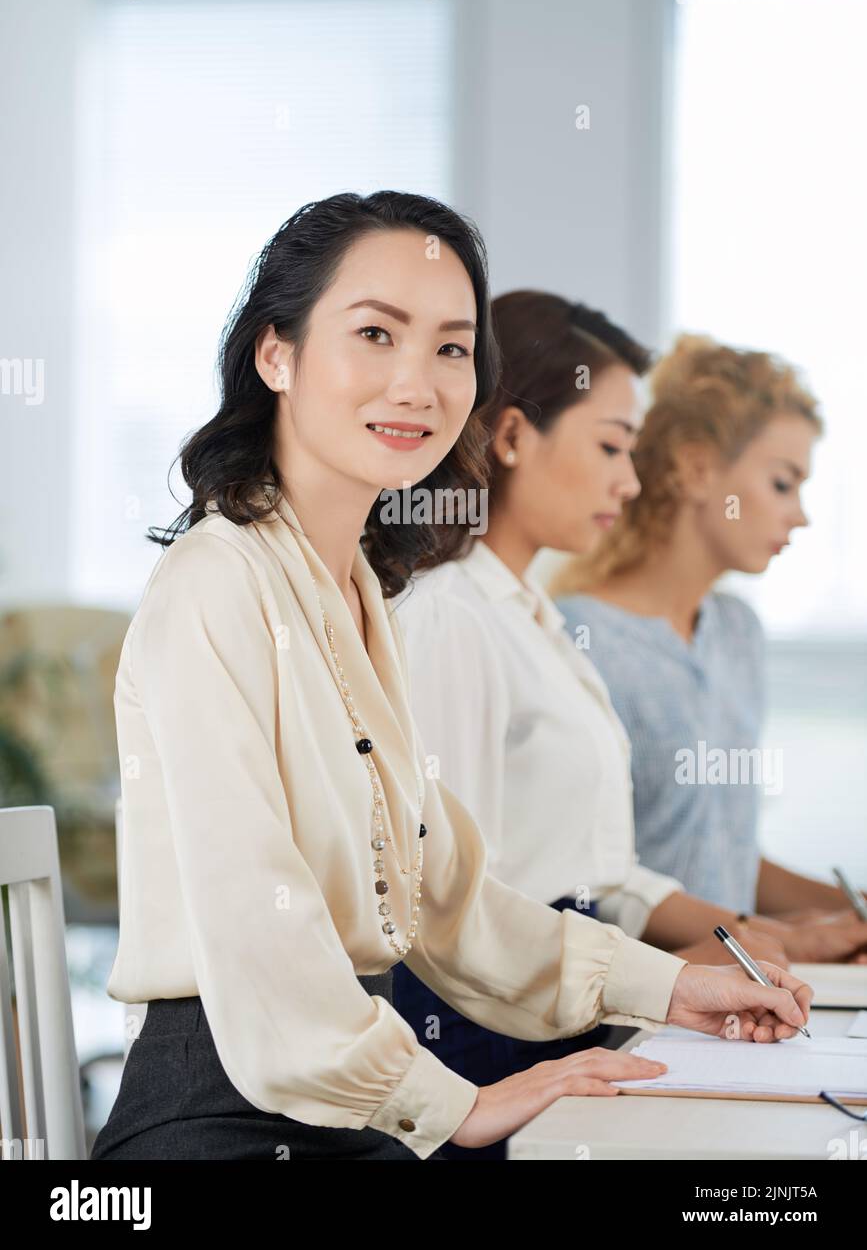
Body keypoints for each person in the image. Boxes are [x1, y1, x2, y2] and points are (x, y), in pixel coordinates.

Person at [90, 195, 814, 1163]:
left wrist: (673, 989)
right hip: (229, 1114)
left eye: (450, 348)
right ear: (277, 355)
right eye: (375, 333)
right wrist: (454, 1105)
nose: (417, 382)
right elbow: (258, 914)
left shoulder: (351, 591)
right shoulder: (218, 580)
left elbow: (444, 892)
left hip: (344, 1097)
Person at [389, 292, 865, 1160]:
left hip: (565, 1016)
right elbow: (446, 905)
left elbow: (591, 872)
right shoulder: (450, 616)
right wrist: (678, 974)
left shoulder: (527, 615)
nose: (629, 480)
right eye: (610, 446)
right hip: (489, 1051)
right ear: (511, 437)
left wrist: (739, 951)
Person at [550, 334, 867, 953]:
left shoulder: (737, 631)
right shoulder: (577, 638)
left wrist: (845, 915)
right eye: (783, 484)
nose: (799, 515)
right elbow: (588, 882)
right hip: (643, 1003)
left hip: (750, 987)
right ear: (697, 471)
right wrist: (778, 939)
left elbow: (724, 851)